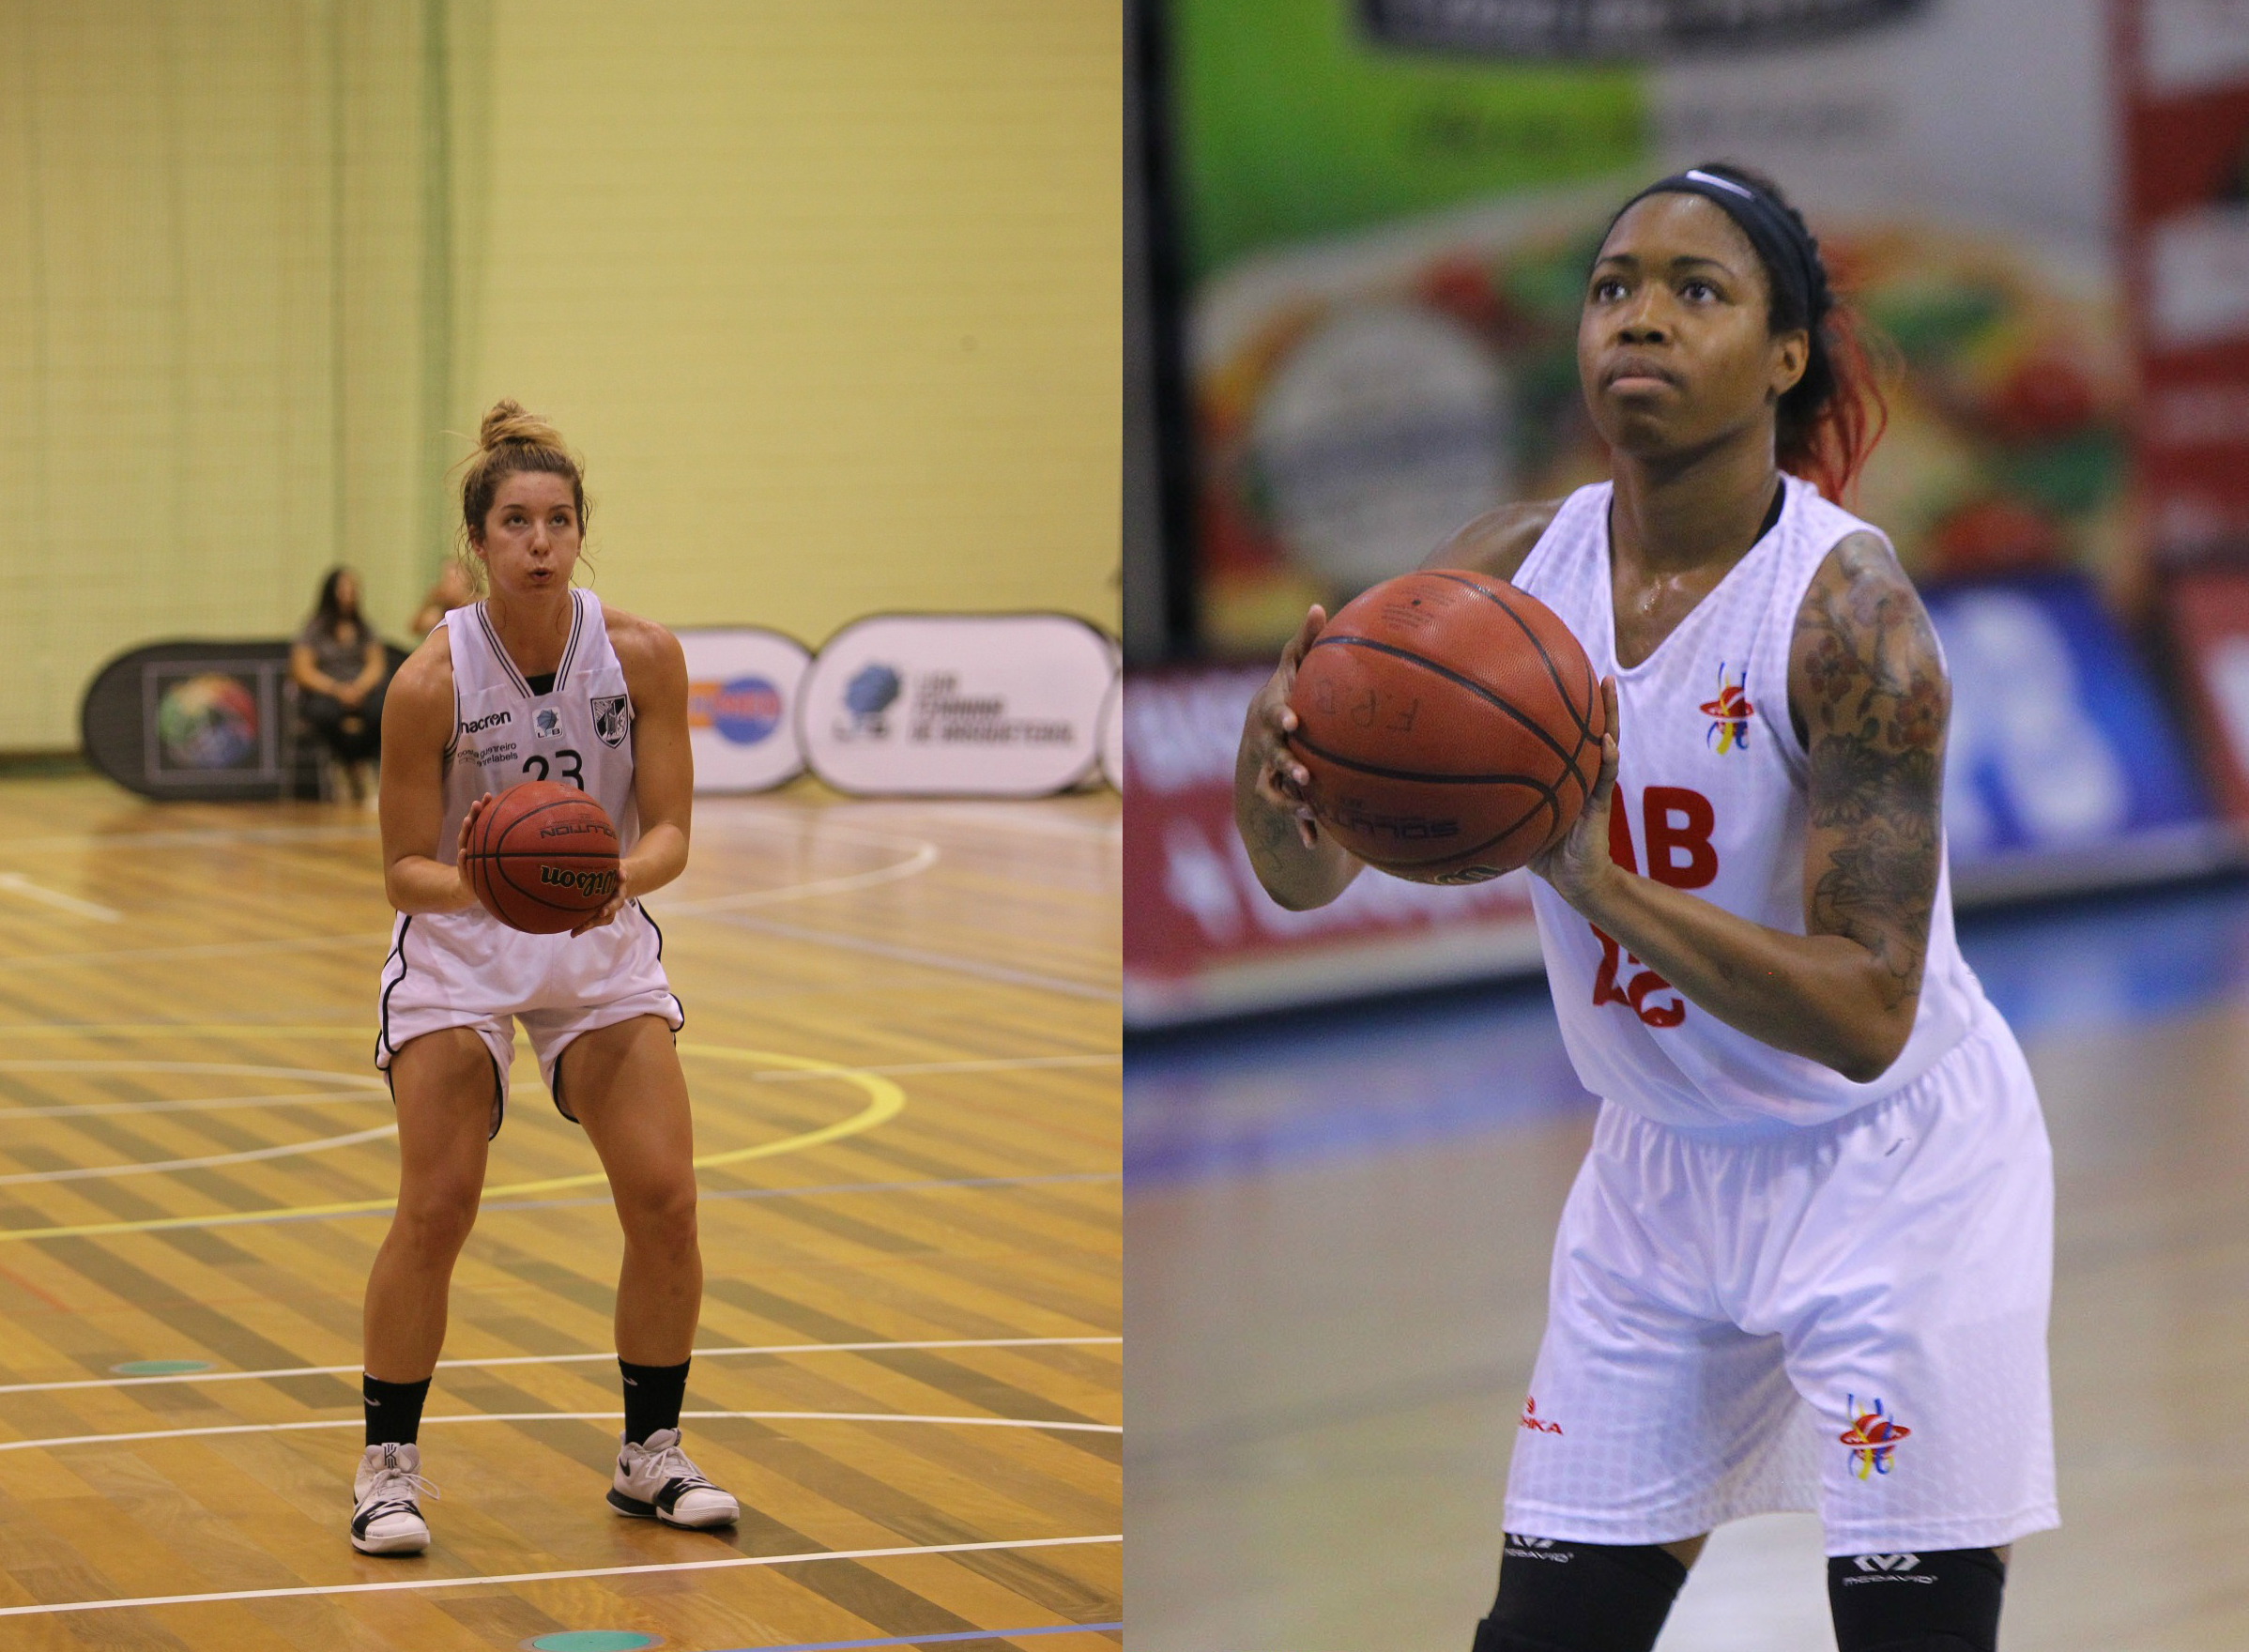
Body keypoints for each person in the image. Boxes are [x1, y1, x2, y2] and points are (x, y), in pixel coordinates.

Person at [1234, 165, 2055, 1652]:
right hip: (1657, 1184)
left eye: (1698, 291)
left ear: (1786, 354)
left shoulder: (1852, 623)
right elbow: (1303, 878)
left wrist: (1596, 883)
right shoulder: (1502, 573)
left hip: (1895, 1181)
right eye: (1615, 287)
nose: (1642, 320)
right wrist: (1272, 774)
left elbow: (1868, 1019)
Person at [352, 400, 735, 1555]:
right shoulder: (427, 680)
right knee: (438, 1204)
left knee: (665, 1199)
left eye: (557, 519)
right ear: (478, 539)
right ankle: (386, 1470)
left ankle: (648, 1455)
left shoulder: (643, 654)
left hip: (596, 941)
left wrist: (610, 877)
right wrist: (494, 876)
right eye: (514, 520)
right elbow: (401, 873)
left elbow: (669, 832)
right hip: (464, 951)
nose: (538, 539)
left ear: (579, 531)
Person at [290, 567, 390, 803]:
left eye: (353, 589)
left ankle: (356, 766)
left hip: (360, 693)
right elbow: (302, 670)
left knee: (382, 711)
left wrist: (359, 688)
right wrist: (337, 689)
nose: (348, 594)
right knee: (325, 714)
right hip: (327, 693)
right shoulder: (314, 628)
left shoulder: (364, 628)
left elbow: (376, 663)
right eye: (343, 589)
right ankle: (349, 767)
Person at [407, 558, 478, 638]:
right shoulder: (439, 600)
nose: (448, 583)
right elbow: (415, 627)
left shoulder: (476, 603)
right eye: (445, 578)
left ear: (467, 580)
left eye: (453, 579)